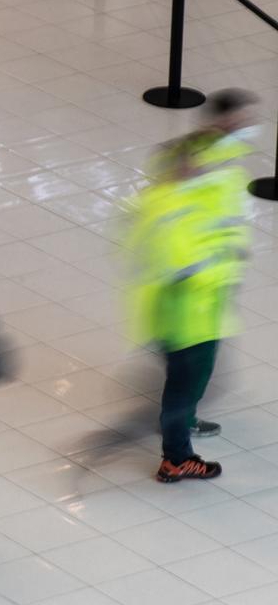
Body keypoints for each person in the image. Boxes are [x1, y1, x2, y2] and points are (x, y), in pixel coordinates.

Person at [127, 91, 255, 482]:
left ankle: (182, 424)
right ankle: (176, 457)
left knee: (185, 379)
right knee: (185, 382)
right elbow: (187, 256)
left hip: (188, 304)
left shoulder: (180, 182)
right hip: (190, 309)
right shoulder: (181, 198)